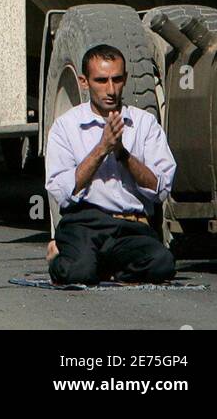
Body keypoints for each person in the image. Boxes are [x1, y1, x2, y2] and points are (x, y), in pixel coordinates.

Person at [44, 44, 177, 286]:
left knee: (162, 263)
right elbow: (62, 192)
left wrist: (122, 154)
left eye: (117, 80)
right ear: (85, 82)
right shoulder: (66, 127)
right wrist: (102, 149)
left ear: (125, 79)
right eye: (101, 81)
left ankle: (107, 268)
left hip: (131, 225)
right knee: (77, 273)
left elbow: (161, 189)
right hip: (86, 223)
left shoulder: (144, 124)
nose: (111, 90)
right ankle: (59, 257)